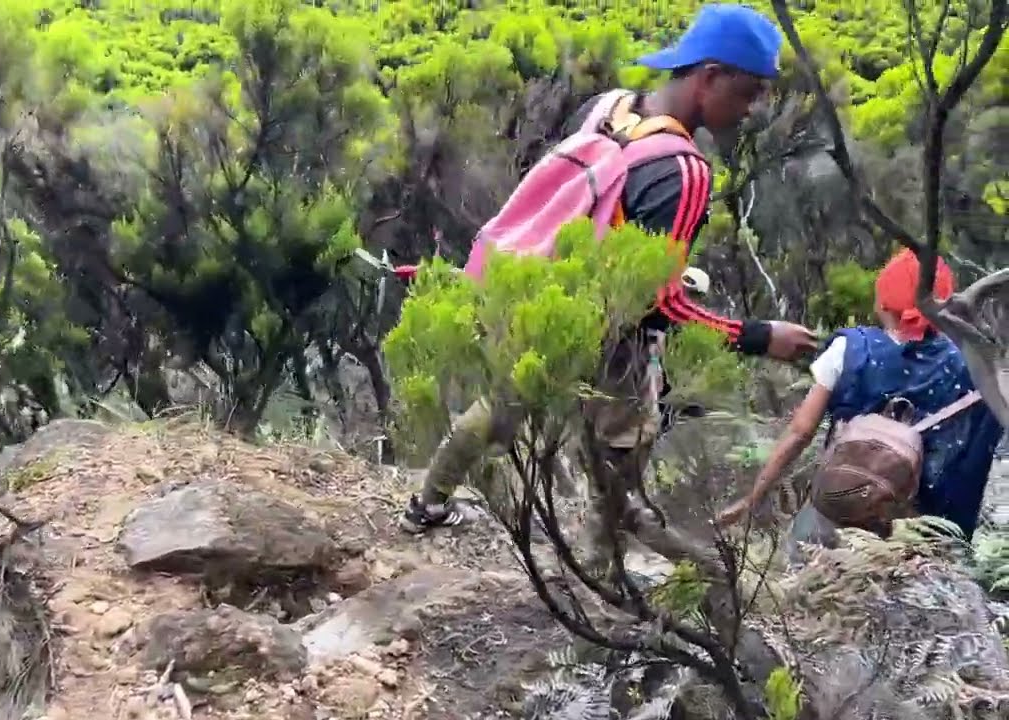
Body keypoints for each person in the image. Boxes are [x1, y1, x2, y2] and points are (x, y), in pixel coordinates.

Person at [401, 3, 820, 534]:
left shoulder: (607, 107)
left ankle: (427, 506)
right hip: (615, 331)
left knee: (501, 404)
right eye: (748, 92)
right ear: (710, 76)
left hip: (546, 291)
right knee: (624, 441)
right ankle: (606, 556)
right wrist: (760, 336)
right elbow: (661, 305)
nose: (752, 110)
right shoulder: (685, 171)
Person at [716, 250, 1005, 540]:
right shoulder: (976, 366)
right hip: (927, 528)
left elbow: (799, 434)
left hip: (843, 510)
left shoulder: (849, 348)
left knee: (807, 550)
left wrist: (753, 498)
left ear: (883, 301)